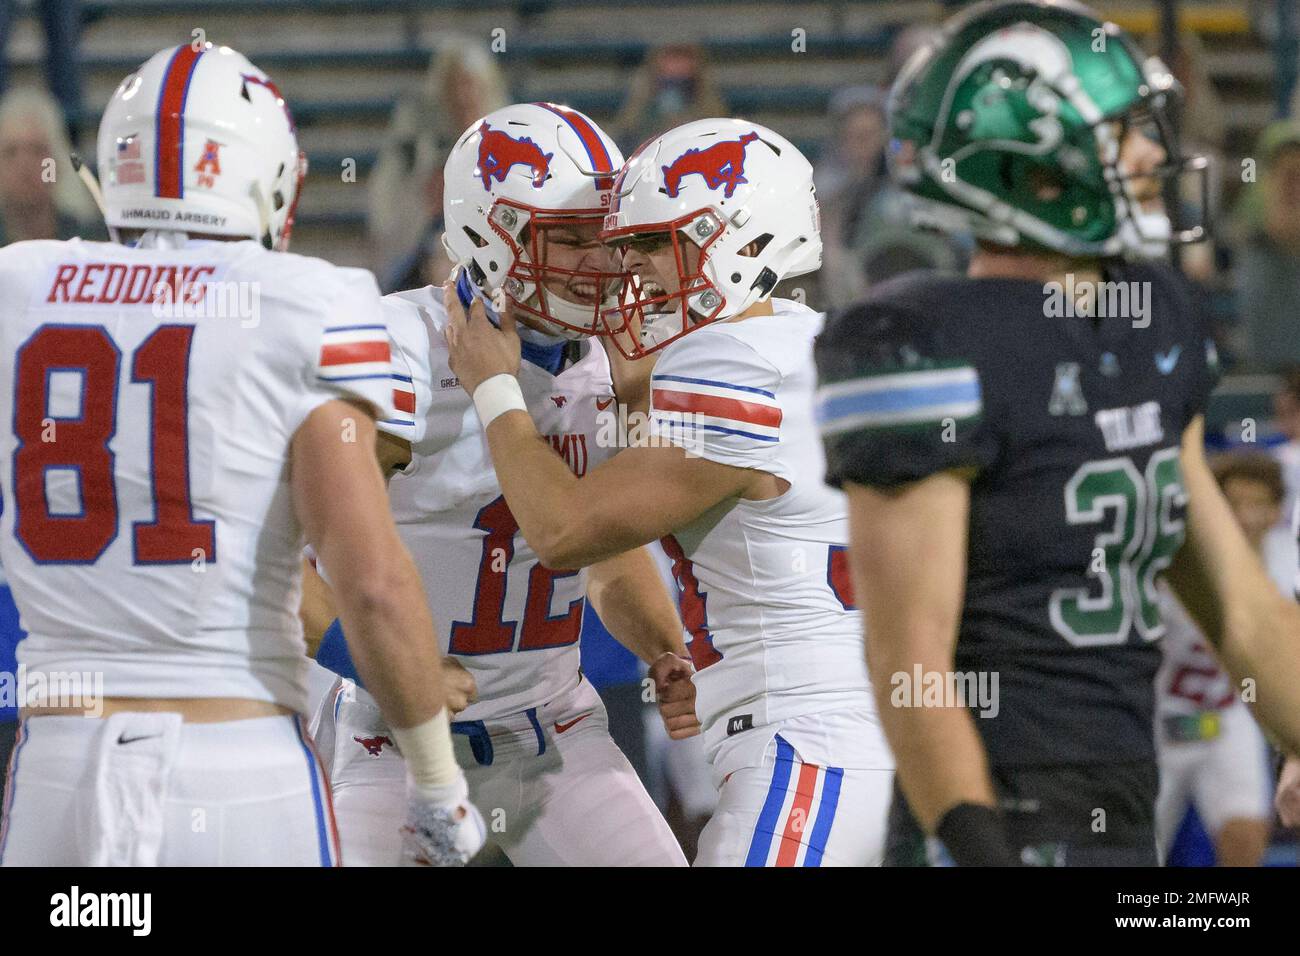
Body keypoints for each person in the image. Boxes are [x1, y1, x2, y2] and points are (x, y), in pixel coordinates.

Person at [816, 0, 1300, 867]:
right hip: (994, 813)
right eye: (1122, 134)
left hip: (1123, 796)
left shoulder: (1152, 315)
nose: (1153, 154)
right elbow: (909, 661)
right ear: (1033, 168)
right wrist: (977, 844)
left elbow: (1237, 602)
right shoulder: (922, 344)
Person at [0, 43, 483, 867]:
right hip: (234, 768)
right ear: (266, 179)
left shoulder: (19, 287)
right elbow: (367, 579)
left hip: (59, 771)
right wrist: (439, 785)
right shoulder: (305, 304)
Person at [444, 117, 895, 866]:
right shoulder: (808, 343)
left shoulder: (730, 361)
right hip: (852, 732)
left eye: (656, 244)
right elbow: (692, 491)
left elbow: (564, 532)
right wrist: (631, 402)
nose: (634, 270)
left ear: (745, 242)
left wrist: (494, 387)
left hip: (807, 745)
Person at [305, 103, 689, 867]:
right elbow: (286, 554)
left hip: (556, 727)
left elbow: (607, 559)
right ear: (491, 235)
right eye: (570, 240)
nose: (602, 262)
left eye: (606, 237)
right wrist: (390, 665)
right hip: (395, 736)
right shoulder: (400, 351)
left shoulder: (613, 360)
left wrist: (664, 652)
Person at [1154, 453, 1286, 866]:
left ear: (1276, 510)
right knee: (1140, 847)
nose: (1245, 517)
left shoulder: (1287, 565)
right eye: (1233, 504)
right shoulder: (1177, 560)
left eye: (1257, 504)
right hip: (1157, 716)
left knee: (1246, 832)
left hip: (1229, 715)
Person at [366, 39, 507, 291]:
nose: (465, 99)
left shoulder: (510, 147)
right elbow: (385, 224)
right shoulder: (413, 150)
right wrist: (423, 202)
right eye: (455, 88)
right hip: (423, 270)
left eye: (473, 87)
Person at [0, 86, 103, 245]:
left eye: (37, 151)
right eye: (11, 152)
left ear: (58, 163)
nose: (24, 166)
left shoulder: (90, 242)